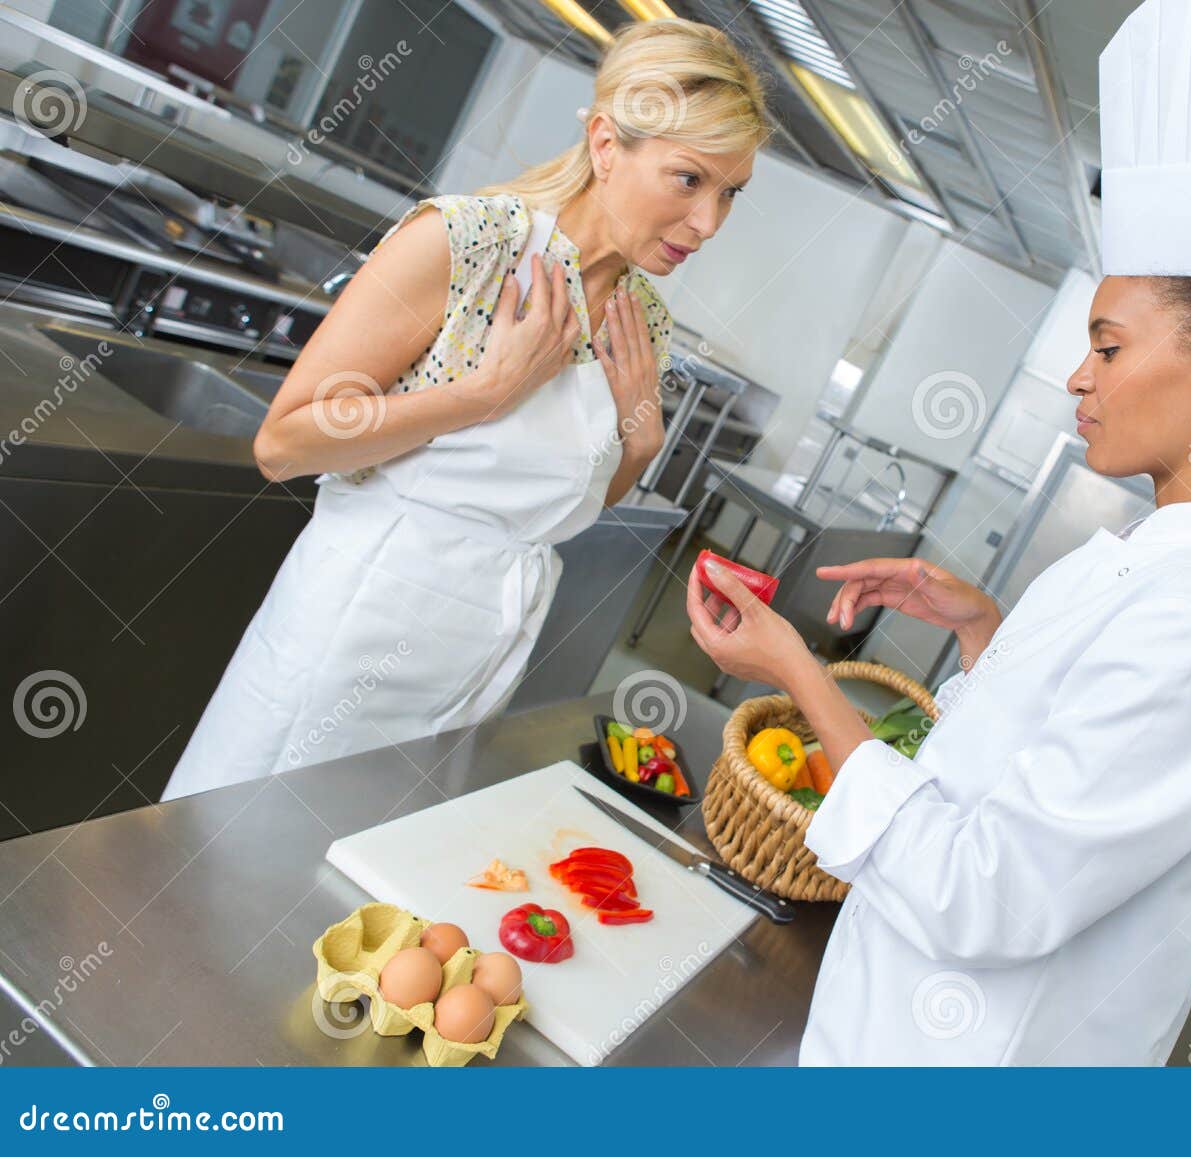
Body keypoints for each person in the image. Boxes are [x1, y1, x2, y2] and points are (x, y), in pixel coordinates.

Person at [686, 0, 1191, 1064]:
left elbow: (980, 892)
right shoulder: (1155, 561)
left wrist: (799, 671)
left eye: (1110, 346)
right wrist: (988, 634)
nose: (1079, 375)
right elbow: (1044, 770)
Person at [162, 20, 769, 800]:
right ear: (607, 144)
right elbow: (283, 444)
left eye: (730, 194)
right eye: (689, 180)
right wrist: (481, 394)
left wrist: (639, 451)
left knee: (362, 892)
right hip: (356, 632)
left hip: (483, 652)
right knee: (232, 852)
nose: (709, 223)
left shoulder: (642, 315)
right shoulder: (464, 245)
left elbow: (565, 505)